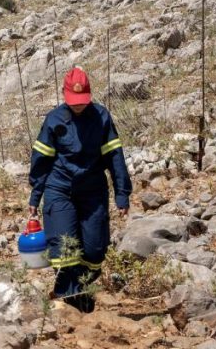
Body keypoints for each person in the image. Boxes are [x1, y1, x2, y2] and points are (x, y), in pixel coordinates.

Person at [29, 67, 131, 313]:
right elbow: (41, 162)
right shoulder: (54, 120)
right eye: (73, 102)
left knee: (95, 250)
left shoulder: (101, 117)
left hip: (93, 190)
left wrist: (122, 193)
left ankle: (81, 286)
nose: (77, 106)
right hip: (59, 189)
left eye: (82, 101)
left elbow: (115, 157)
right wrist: (35, 196)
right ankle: (73, 299)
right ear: (64, 95)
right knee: (65, 249)